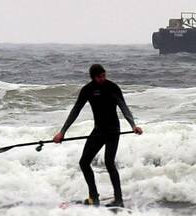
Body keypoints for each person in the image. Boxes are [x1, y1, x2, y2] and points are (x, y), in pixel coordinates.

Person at [54, 64, 142, 207]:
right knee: (84, 162)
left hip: (113, 130)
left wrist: (133, 125)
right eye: (100, 77)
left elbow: (123, 107)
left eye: (104, 75)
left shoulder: (112, 87)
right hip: (99, 130)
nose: (103, 78)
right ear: (94, 77)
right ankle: (94, 197)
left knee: (109, 162)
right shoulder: (87, 90)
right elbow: (76, 110)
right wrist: (62, 132)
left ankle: (118, 200)